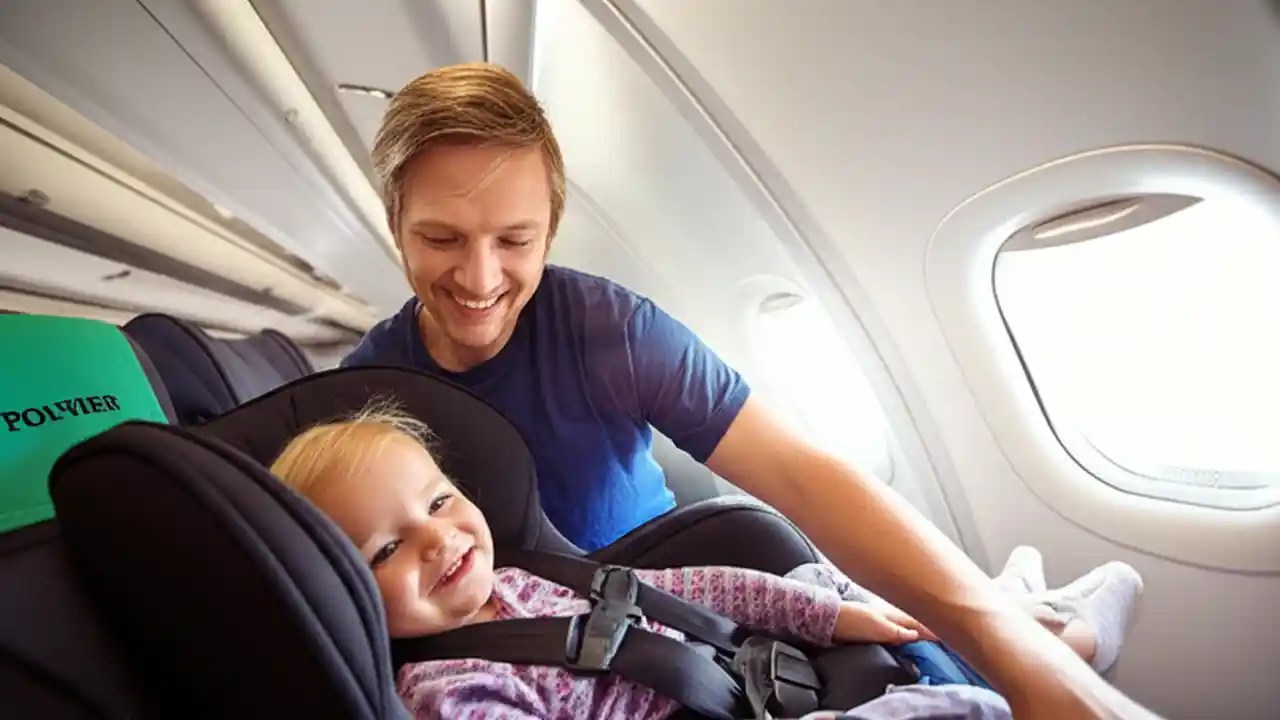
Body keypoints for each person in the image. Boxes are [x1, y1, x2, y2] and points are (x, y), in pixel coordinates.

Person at [341, 62, 1156, 718]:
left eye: (514, 240)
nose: (479, 278)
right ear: (394, 224)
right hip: (527, 648)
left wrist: (1012, 657)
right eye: (441, 238)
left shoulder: (611, 329)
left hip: (675, 595)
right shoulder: (363, 409)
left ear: (550, 229)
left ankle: (1036, 634)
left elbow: (802, 473)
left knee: (830, 588)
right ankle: (1049, 622)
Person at [269, 404, 1143, 719]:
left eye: (439, 502)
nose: (439, 540)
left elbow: (675, 593)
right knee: (944, 706)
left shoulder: (517, 581)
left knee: (809, 580)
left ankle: (1021, 616)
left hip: (723, 663)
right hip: (705, 701)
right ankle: (1039, 648)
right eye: (386, 548)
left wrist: (826, 618)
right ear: (340, 592)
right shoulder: (446, 690)